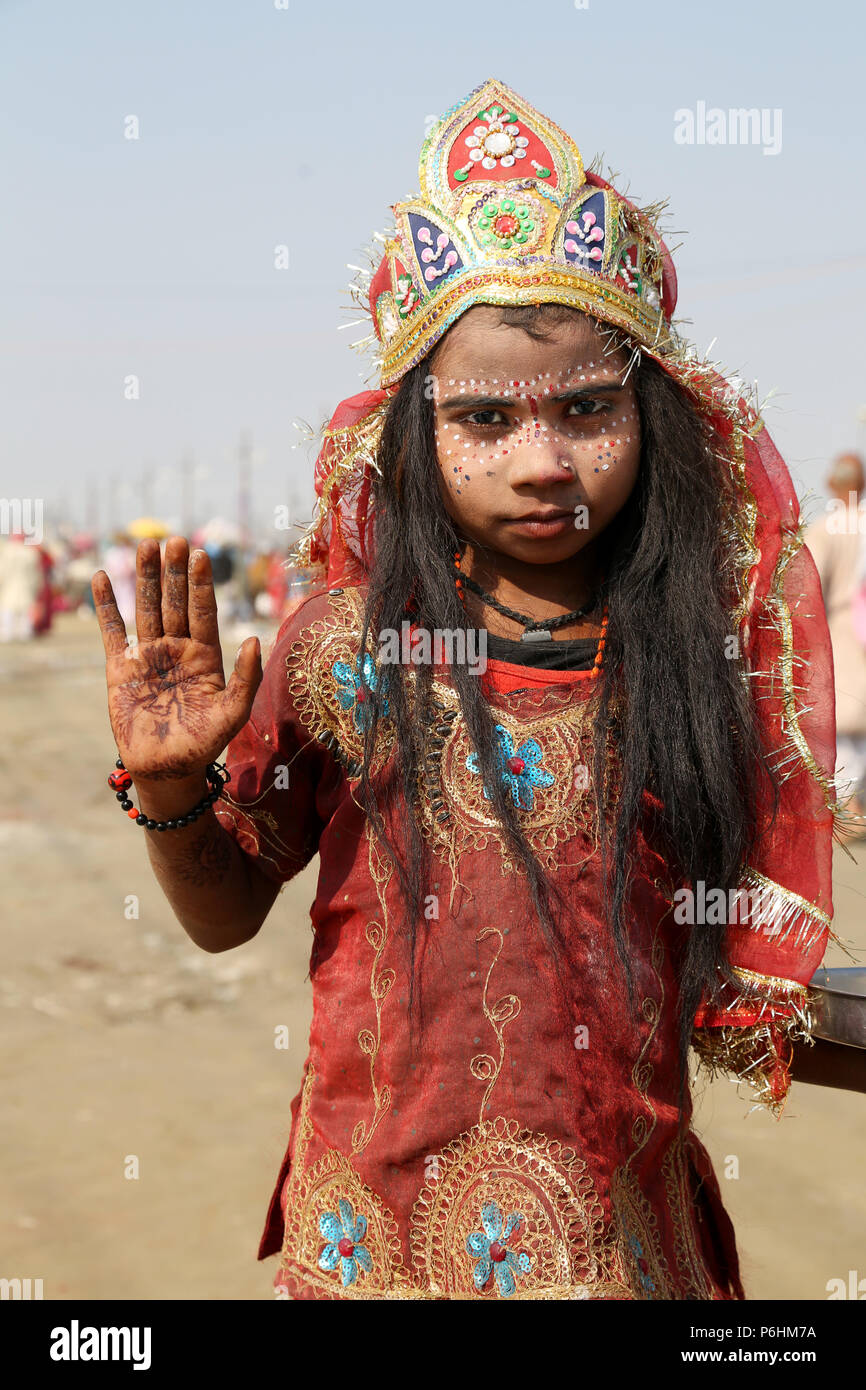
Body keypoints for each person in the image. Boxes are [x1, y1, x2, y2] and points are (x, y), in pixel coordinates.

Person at [91, 79, 863, 1302]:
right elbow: (224, 910)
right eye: (485, 418)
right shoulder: (341, 648)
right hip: (370, 1254)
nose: (543, 461)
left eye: (587, 410)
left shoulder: (693, 665)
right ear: (413, 435)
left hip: (620, 1252)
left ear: (648, 418)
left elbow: (720, 958)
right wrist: (176, 787)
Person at [804, 453, 866, 827]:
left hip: (840, 636)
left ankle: (848, 809)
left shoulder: (827, 529)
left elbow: (807, 590)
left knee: (841, 722)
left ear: (833, 486)